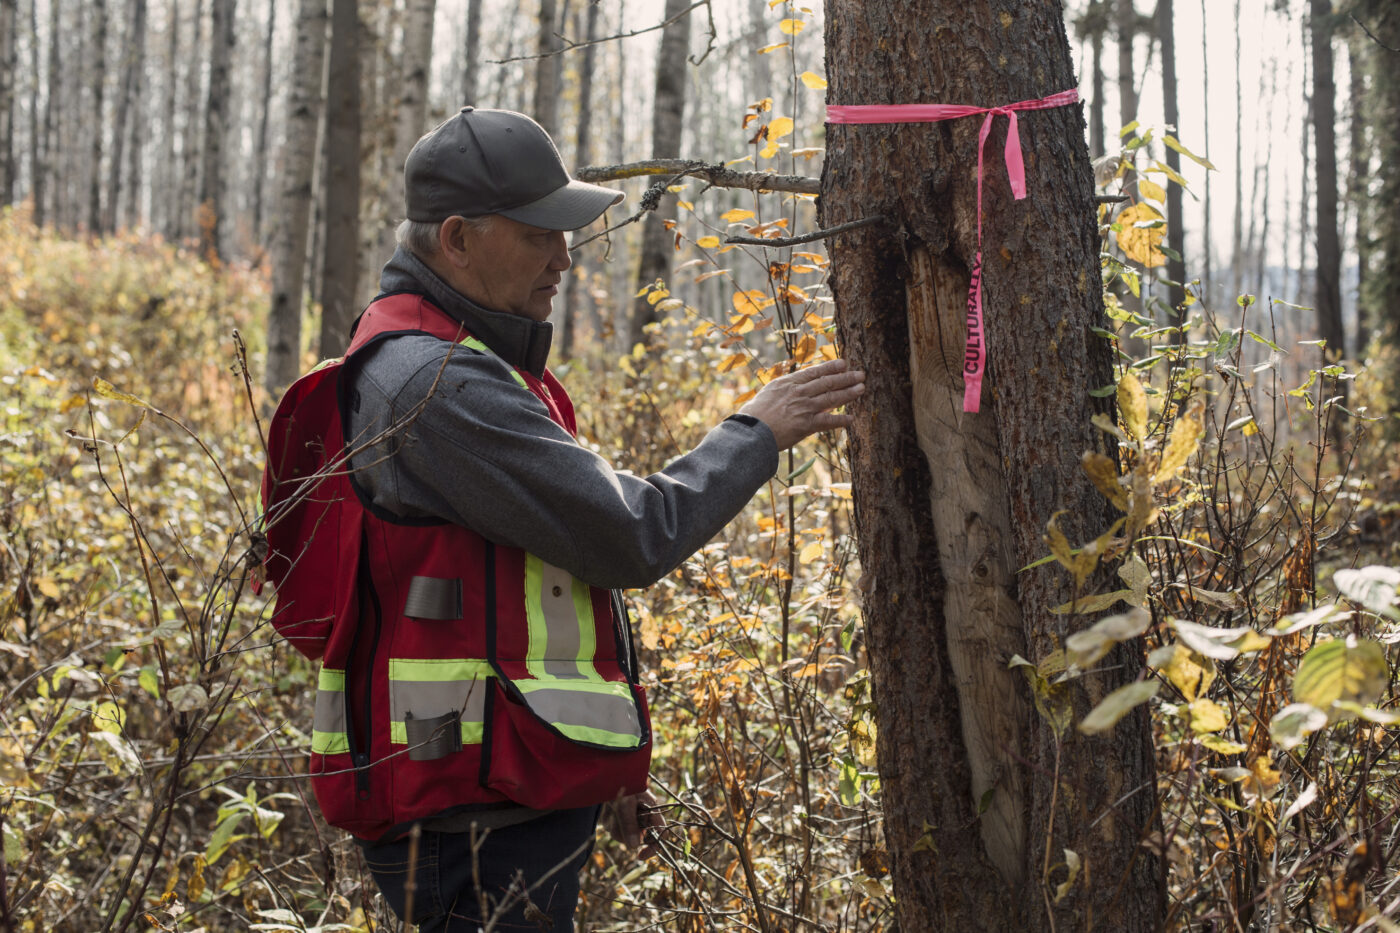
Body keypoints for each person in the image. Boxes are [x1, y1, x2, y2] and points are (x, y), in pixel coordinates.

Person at [265, 107, 864, 932]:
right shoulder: (435, 385)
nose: (563, 257)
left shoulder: (466, 358)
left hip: (503, 791)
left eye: (566, 232)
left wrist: (604, 762)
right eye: (539, 233)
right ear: (457, 239)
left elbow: (547, 592)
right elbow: (628, 532)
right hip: (469, 821)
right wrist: (755, 433)